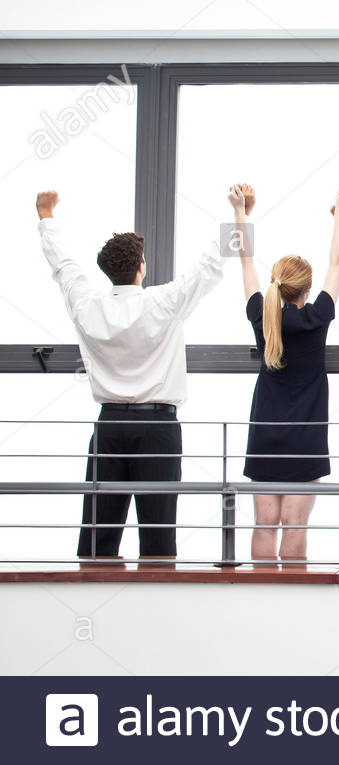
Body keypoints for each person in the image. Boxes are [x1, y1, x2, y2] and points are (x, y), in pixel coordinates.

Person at [36, 188, 227, 560]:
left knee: (98, 535)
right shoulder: (163, 302)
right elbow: (210, 267)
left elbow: (64, 267)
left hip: (109, 425)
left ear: (108, 271)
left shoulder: (88, 306)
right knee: (158, 537)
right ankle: (154, 608)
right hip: (157, 428)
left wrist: (46, 216)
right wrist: (240, 217)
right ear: (142, 267)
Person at [232, 184, 339, 562]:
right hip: (306, 434)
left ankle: (262, 593)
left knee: (264, 521)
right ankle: (292, 597)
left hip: (266, 431)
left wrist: (240, 212)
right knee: (295, 523)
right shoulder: (316, 318)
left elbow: (245, 261)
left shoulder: (261, 316)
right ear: (307, 288)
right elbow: (336, 263)